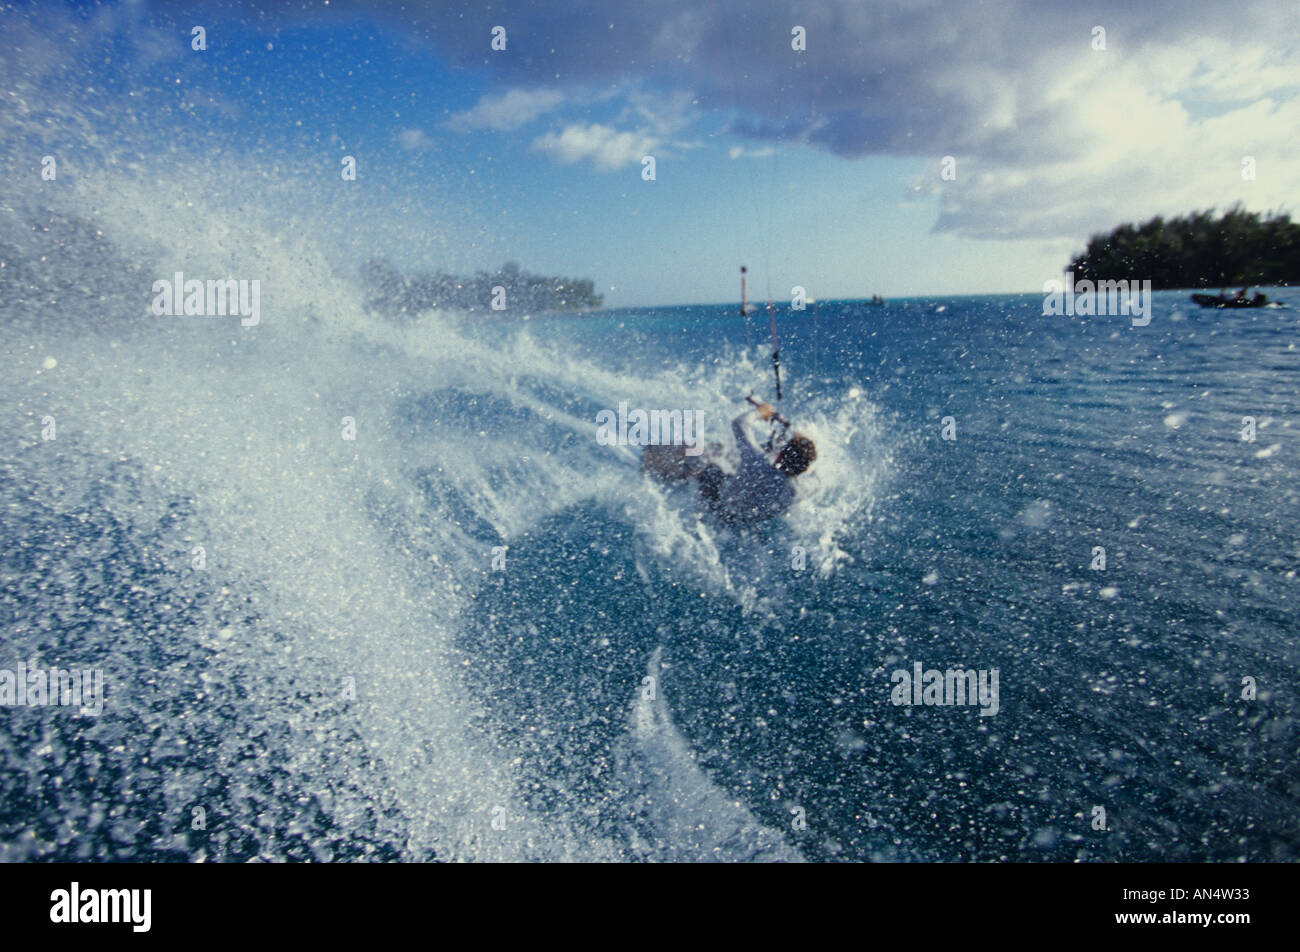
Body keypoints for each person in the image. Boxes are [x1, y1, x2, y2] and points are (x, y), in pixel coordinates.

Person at [693, 402, 816, 525]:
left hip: (719, 505)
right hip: (744, 522)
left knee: (713, 459)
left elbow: (739, 423)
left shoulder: (757, 460)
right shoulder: (800, 490)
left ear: (780, 454)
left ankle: (685, 474)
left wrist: (761, 411)